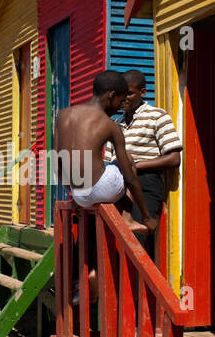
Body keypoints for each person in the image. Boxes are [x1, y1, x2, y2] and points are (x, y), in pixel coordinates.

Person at [54, 70, 153, 233]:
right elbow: (129, 177)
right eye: (120, 102)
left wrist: (74, 194)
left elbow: (58, 165)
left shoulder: (62, 115)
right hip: (104, 190)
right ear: (111, 95)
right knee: (127, 158)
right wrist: (146, 216)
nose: (120, 108)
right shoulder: (110, 125)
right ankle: (128, 219)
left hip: (79, 194)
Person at [107, 69, 182, 249]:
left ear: (143, 92)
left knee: (136, 243)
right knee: (110, 239)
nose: (124, 98)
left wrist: (135, 166)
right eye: (121, 93)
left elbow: (173, 158)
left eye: (130, 93)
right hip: (119, 185)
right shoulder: (116, 125)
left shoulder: (157, 116)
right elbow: (109, 161)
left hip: (145, 183)